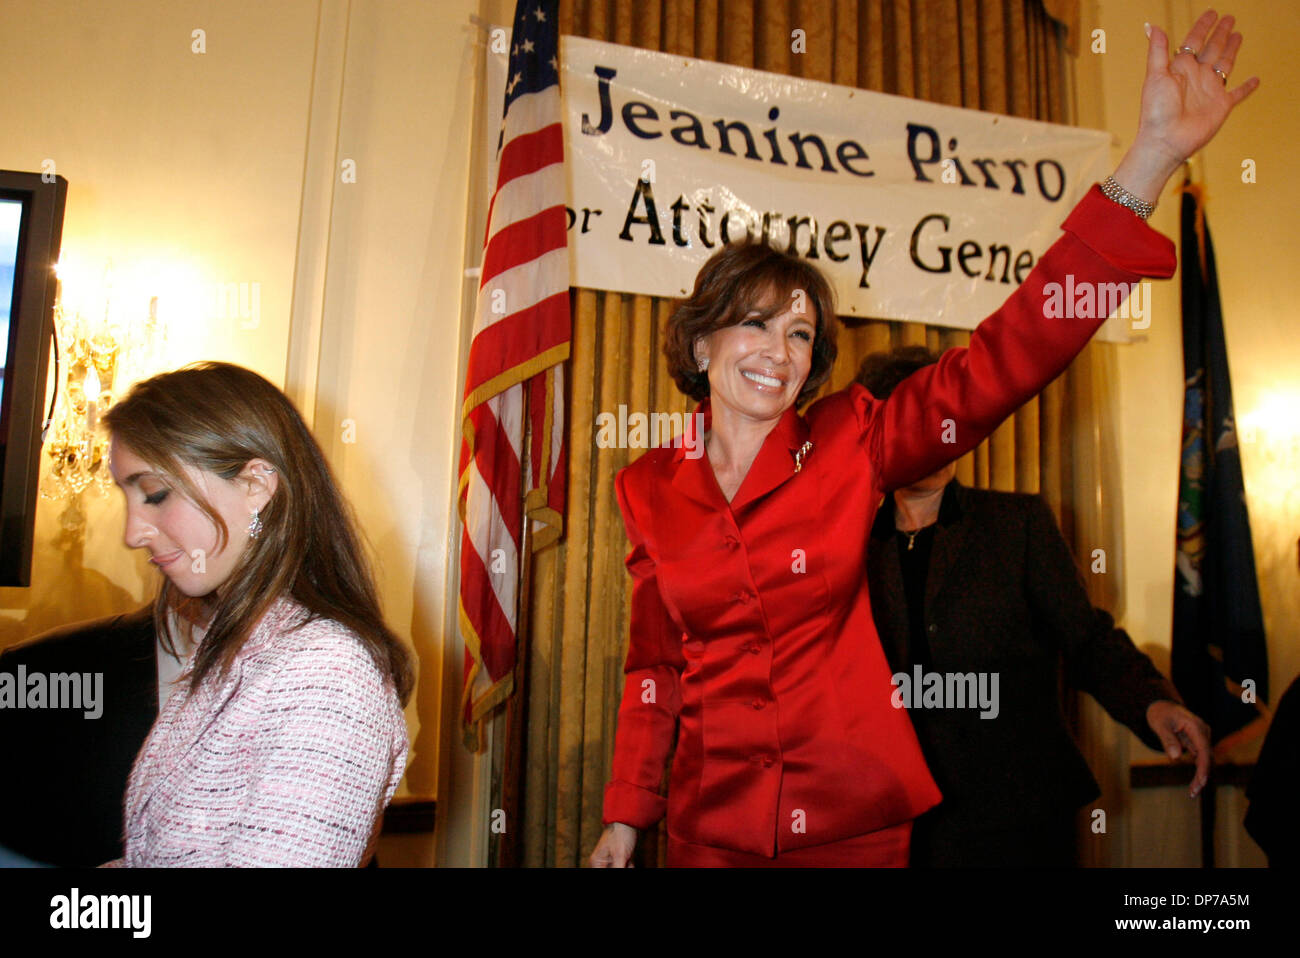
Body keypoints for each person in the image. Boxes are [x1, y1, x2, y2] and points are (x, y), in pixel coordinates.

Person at [589, 11, 1257, 867]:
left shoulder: (851, 441)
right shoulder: (645, 487)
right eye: (754, 323)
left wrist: (1150, 163)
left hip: (853, 832)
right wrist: (625, 817)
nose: (778, 351)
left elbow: (1002, 363)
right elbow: (654, 669)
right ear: (700, 342)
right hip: (707, 835)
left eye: (800, 335)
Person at [858, 346, 1211, 867]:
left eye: (947, 418)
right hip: (893, 823)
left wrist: (1150, 701)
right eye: (915, 421)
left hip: (1015, 823)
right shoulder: (852, 542)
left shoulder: (1016, 523)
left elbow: (1087, 640)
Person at [101, 362, 413, 867]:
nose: (133, 532)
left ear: (255, 485)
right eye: (128, 497)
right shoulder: (238, 647)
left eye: (155, 494)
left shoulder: (327, 675)